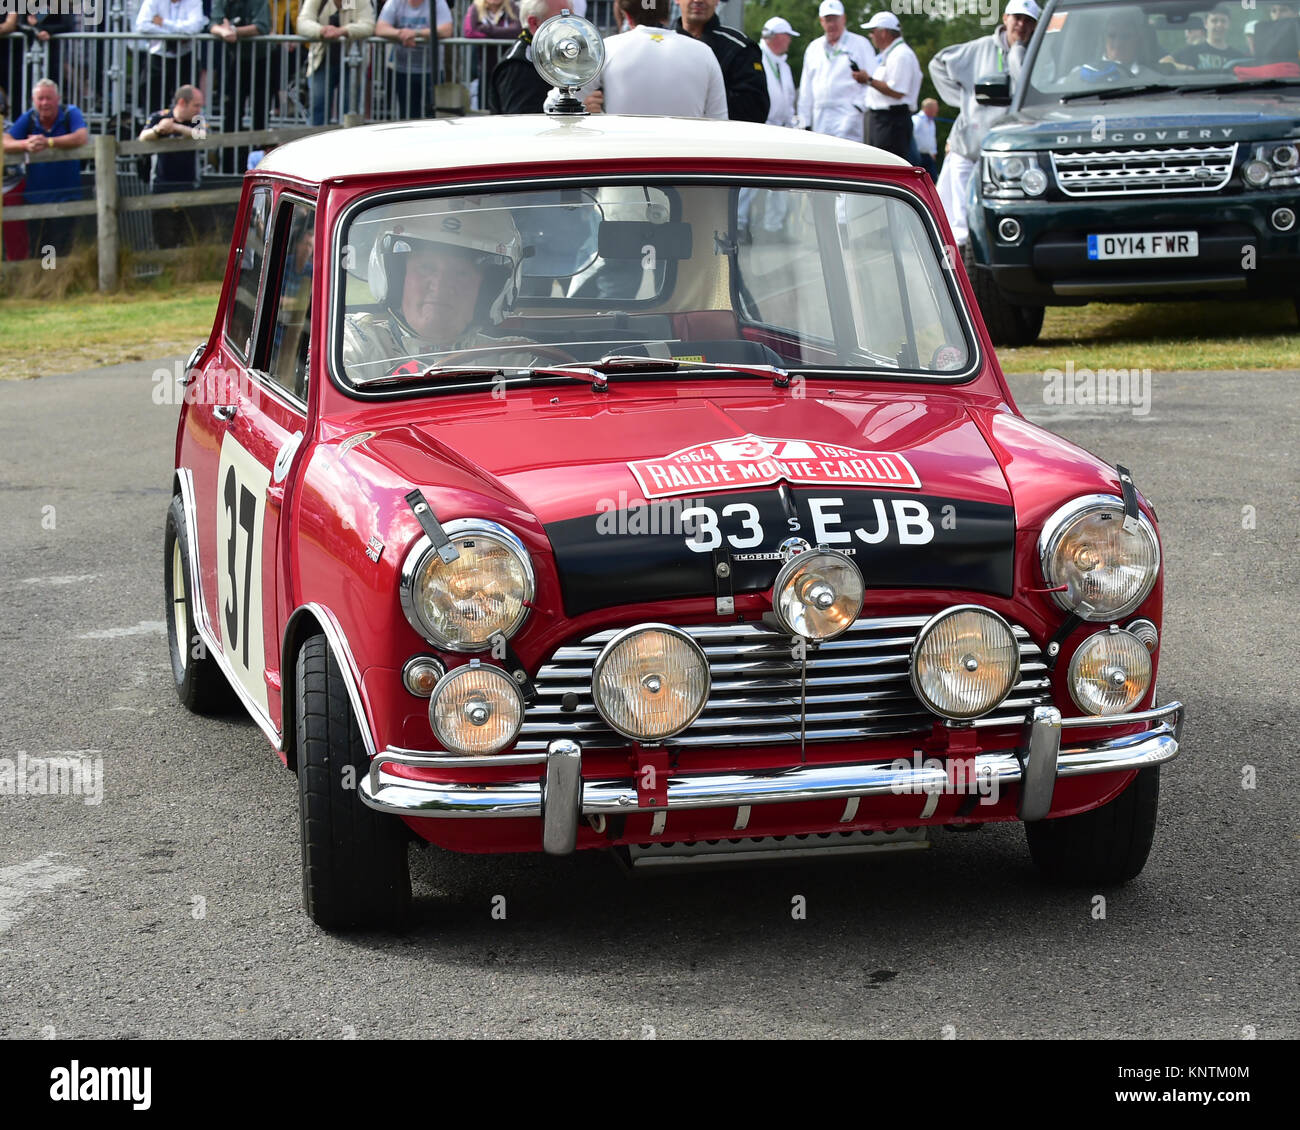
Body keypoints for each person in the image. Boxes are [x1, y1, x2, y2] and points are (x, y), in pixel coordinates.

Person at [342, 201, 539, 380]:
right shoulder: (356, 346)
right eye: (426, 268)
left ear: (487, 292)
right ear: (396, 278)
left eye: (461, 273)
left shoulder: (518, 360)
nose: (440, 285)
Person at [930, 0, 1038, 244]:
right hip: (968, 149)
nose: (1021, 25)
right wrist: (961, 101)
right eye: (1017, 18)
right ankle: (961, 272)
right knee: (959, 223)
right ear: (1005, 18)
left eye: (1028, 20)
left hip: (1009, 153)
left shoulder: (1035, 54)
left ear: (1035, 26)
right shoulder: (980, 48)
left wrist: (1019, 53)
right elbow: (938, 63)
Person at [582, 0, 726, 118]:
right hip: (686, 151)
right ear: (668, 9)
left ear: (625, 14)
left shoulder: (606, 49)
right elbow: (719, 120)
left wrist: (590, 112)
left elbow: (565, 106)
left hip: (626, 150)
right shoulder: (704, 52)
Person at [2, 78, 88, 257]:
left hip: (67, 197)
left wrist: (48, 142)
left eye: (49, 98)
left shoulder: (70, 113)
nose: (44, 103)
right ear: (34, 101)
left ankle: (62, 281)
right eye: (40, 99)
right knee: (42, 248)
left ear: (58, 99)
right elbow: (5, 141)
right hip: (36, 197)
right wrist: (26, 144)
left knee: (63, 247)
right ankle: (48, 281)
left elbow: (81, 137)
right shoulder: (29, 118)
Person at [737, 16, 800, 241]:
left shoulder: (781, 63)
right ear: (779, 37)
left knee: (780, 183)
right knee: (750, 181)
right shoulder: (758, 56)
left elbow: (788, 97)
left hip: (781, 129)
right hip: (762, 126)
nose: (790, 42)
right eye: (788, 37)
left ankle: (774, 226)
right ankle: (740, 225)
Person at [672, 0, 768, 124]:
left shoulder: (740, 48)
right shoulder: (657, 45)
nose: (698, 1)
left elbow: (755, 112)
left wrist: (706, 92)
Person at [140, 85, 208, 246]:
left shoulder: (198, 119)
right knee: (164, 239)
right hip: (161, 187)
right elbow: (143, 137)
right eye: (196, 105)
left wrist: (176, 128)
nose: (199, 109)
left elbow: (202, 136)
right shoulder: (159, 117)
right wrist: (158, 130)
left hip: (190, 186)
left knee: (190, 239)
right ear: (182, 102)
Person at [798, 0, 875, 142]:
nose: (832, 24)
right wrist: (804, 120)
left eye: (835, 19)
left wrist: (858, 107)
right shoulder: (813, 48)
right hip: (820, 117)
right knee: (821, 158)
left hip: (848, 114)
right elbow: (806, 88)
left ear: (844, 18)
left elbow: (872, 79)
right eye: (828, 20)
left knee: (848, 158)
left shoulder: (860, 44)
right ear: (821, 21)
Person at [210, 0, 270, 172]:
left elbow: (262, 26)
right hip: (233, 62)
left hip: (260, 62)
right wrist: (223, 31)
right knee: (231, 113)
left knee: (260, 114)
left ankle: (261, 169)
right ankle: (229, 168)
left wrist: (234, 31)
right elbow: (213, 23)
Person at [298, 0, 377, 126]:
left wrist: (343, 31)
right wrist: (321, 31)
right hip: (321, 60)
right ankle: (316, 144)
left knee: (350, 110)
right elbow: (302, 23)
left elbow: (368, 25)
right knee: (317, 110)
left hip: (352, 63)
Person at [377, 0, 453, 119]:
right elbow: (380, 28)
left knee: (434, 117)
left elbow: (447, 29)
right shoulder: (394, 2)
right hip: (403, 70)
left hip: (432, 71)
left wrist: (416, 33)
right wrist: (400, 33)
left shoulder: (438, 2)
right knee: (407, 116)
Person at [860, 11, 921, 159]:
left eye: (872, 32)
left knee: (885, 164)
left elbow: (897, 91)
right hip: (883, 121)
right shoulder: (891, 54)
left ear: (884, 33)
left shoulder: (901, 55)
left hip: (892, 122)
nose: (871, 36)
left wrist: (868, 80)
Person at [488, 0, 567, 115]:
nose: (571, 26)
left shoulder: (559, 55)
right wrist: (574, 110)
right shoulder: (518, 65)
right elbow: (523, 124)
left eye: (573, 18)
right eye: (562, 21)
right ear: (534, 23)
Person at [134, 0, 207, 112]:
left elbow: (195, 27)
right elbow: (142, 25)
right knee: (153, 104)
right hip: (157, 57)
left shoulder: (194, 1)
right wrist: (175, 35)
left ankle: (185, 129)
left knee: (188, 104)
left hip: (185, 58)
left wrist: (164, 23)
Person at [464, 0, 521, 109]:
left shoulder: (512, 7)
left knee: (506, 105)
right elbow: (470, 32)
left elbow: (517, 31)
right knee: (484, 107)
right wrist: (501, 33)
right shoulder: (475, 7)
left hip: (507, 67)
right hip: (485, 68)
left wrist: (487, 29)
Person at [1162, 9, 1239, 71]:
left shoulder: (1238, 57)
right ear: (1205, 24)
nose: (1219, 25)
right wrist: (1185, 68)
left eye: (1223, 21)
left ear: (1229, 24)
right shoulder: (1189, 51)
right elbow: (1163, 62)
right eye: (1214, 21)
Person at [912, 96, 938, 180]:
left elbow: (931, 138)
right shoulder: (917, 120)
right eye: (935, 108)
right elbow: (912, 137)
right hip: (918, 156)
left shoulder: (931, 121)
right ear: (928, 108)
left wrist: (933, 152)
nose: (937, 110)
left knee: (932, 179)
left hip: (928, 156)